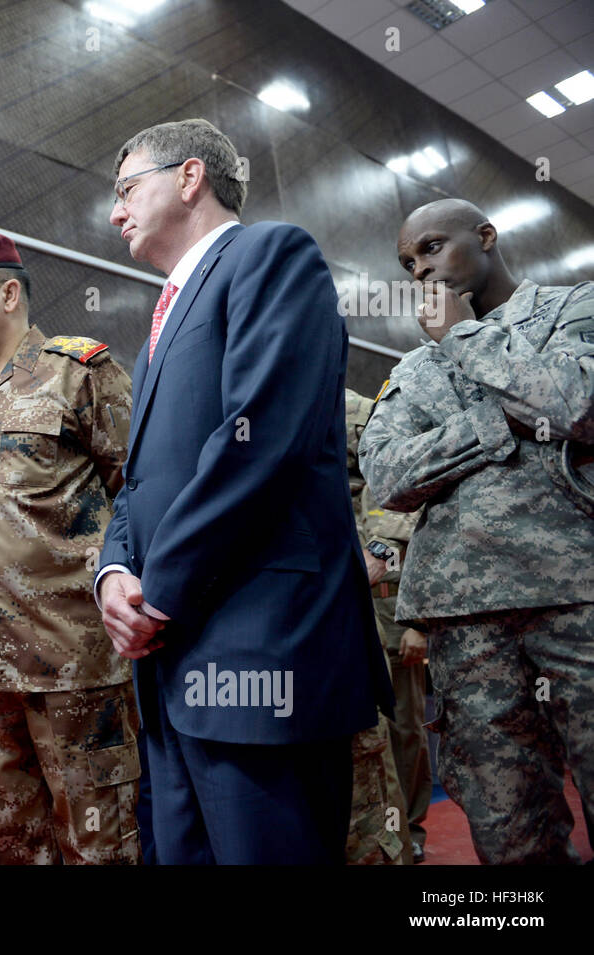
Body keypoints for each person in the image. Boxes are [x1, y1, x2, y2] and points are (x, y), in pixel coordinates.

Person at [97, 118, 393, 864]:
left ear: (190, 177)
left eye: (127, 188)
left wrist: (156, 592)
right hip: (169, 665)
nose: (115, 211)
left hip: (257, 655)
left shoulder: (269, 255)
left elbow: (261, 439)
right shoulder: (159, 324)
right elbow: (137, 483)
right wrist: (113, 572)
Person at [359, 198, 594, 864]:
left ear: (486, 236)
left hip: (577, 595)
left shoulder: (575, 307)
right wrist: (496, 425)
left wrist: (465, 337)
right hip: (467, 623)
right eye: (409, 263)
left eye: (432, 248)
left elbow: (577, 403)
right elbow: (388, 473)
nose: (421, 271)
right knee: (508, 827)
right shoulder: (412, 369)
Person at [0, 231, 140, 865]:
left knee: (97, 842)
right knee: (12, 844)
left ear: (11, 292)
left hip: (73, 657)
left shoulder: (79, 371)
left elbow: (139, 489)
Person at [348, 389, 432, 862]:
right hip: (340, 608)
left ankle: (410, 831)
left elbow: (405, 495)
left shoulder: (356, 413)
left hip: (390, 604)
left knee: (403, 725)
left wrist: (419, 621)